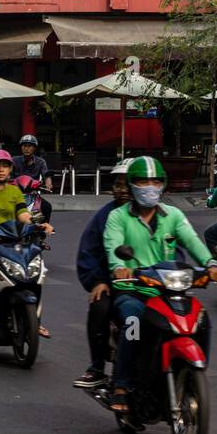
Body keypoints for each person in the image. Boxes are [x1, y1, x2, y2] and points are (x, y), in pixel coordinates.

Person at [103, 156, 217, 415]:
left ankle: (193, 373)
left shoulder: (174, 215)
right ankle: (121, 386)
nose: (150, 186)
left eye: (156, 181)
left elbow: (192, 241)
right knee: (132, 323)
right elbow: (113, 247)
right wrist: (119, 268)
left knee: (201, 318)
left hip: (169, 290)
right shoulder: (117, 217)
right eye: (143, 181)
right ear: (132, 185)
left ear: (163, 185)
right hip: (133, 290)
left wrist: (211, 264)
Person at [0, 149, 53, 343]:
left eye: (5, 166)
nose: (2, 170)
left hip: (11, 243)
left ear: (10, 169)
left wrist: (37, 224)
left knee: (35, 273)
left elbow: (23, 215)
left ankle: (35, 321)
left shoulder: (14, 191)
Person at [72, 159, 132, 390]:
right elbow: (88, 252)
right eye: (118, 184)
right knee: (100, 308)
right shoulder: (105, 216)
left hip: (151, 284)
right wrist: (97, 281)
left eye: (127, 184)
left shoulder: (162, 215)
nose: (122, 189)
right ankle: (97, 367)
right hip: (114, 284)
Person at [12, 133, 53, 222]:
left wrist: (48, 182)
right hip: (15, 194)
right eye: (24, 146)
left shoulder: (40, 162)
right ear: (21, 147)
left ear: (34, 148)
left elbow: (46, 174)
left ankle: (44, 227)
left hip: (32, 194)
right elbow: (8, 174)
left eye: (29, 146)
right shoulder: (14, 160)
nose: (26, 148)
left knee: (47, 207)